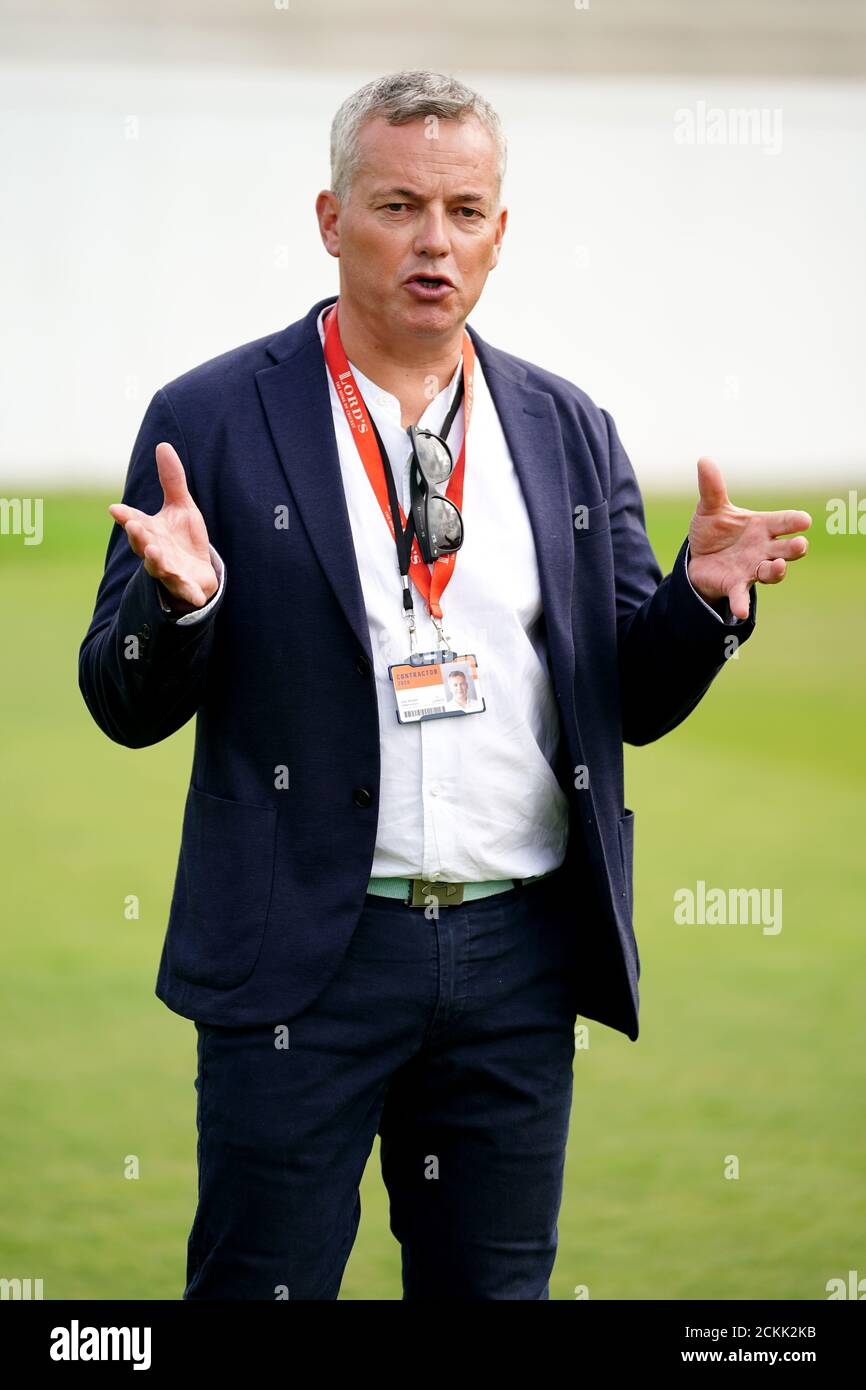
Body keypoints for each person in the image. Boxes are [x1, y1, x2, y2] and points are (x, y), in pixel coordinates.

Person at [78, 70, 811, 1301]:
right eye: (398, 205)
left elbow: (622, 697)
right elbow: (121, 701)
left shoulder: (565, 426)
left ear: (500, 232)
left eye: (465, 211)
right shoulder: (209, 417)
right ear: (329, 217)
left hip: (515, 962)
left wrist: (697, 605)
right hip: (303, 957)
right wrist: (184, 604)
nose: (434, 241)